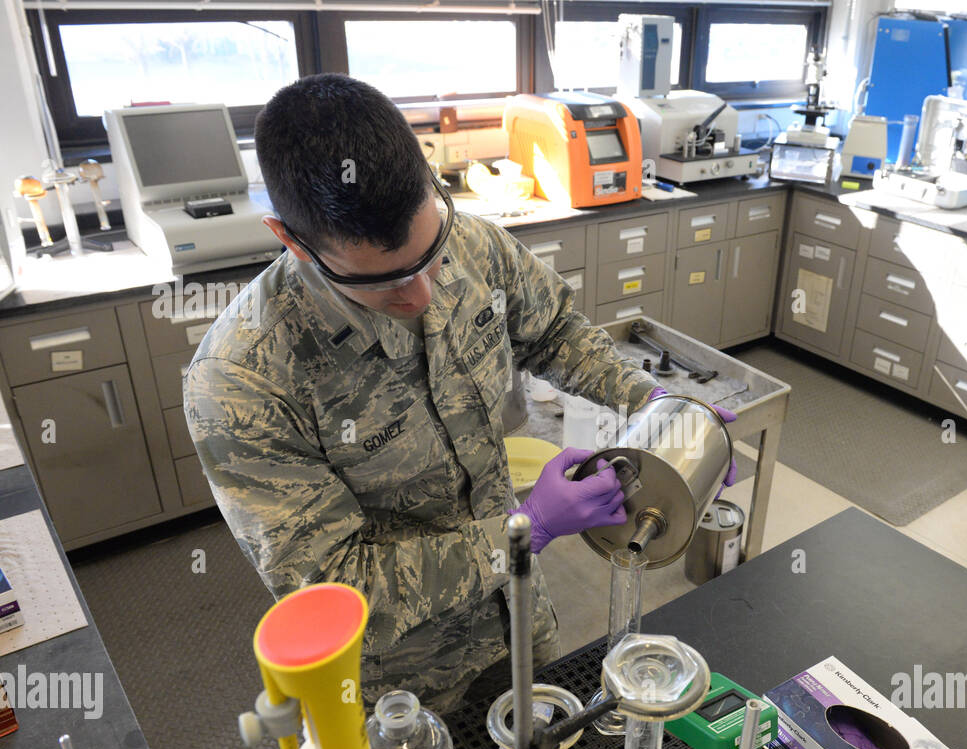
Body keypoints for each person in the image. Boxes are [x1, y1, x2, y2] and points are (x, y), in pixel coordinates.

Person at [184, 74, 733, 713]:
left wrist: (653, 404)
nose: (420, 294)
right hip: (400, 691)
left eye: (430, 255)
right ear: (291, 240)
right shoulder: (242, 382)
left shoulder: (471, 243)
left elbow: (554, 332)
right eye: (385, 282)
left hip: (519, 620)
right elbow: (332, 587)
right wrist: (529, 528)